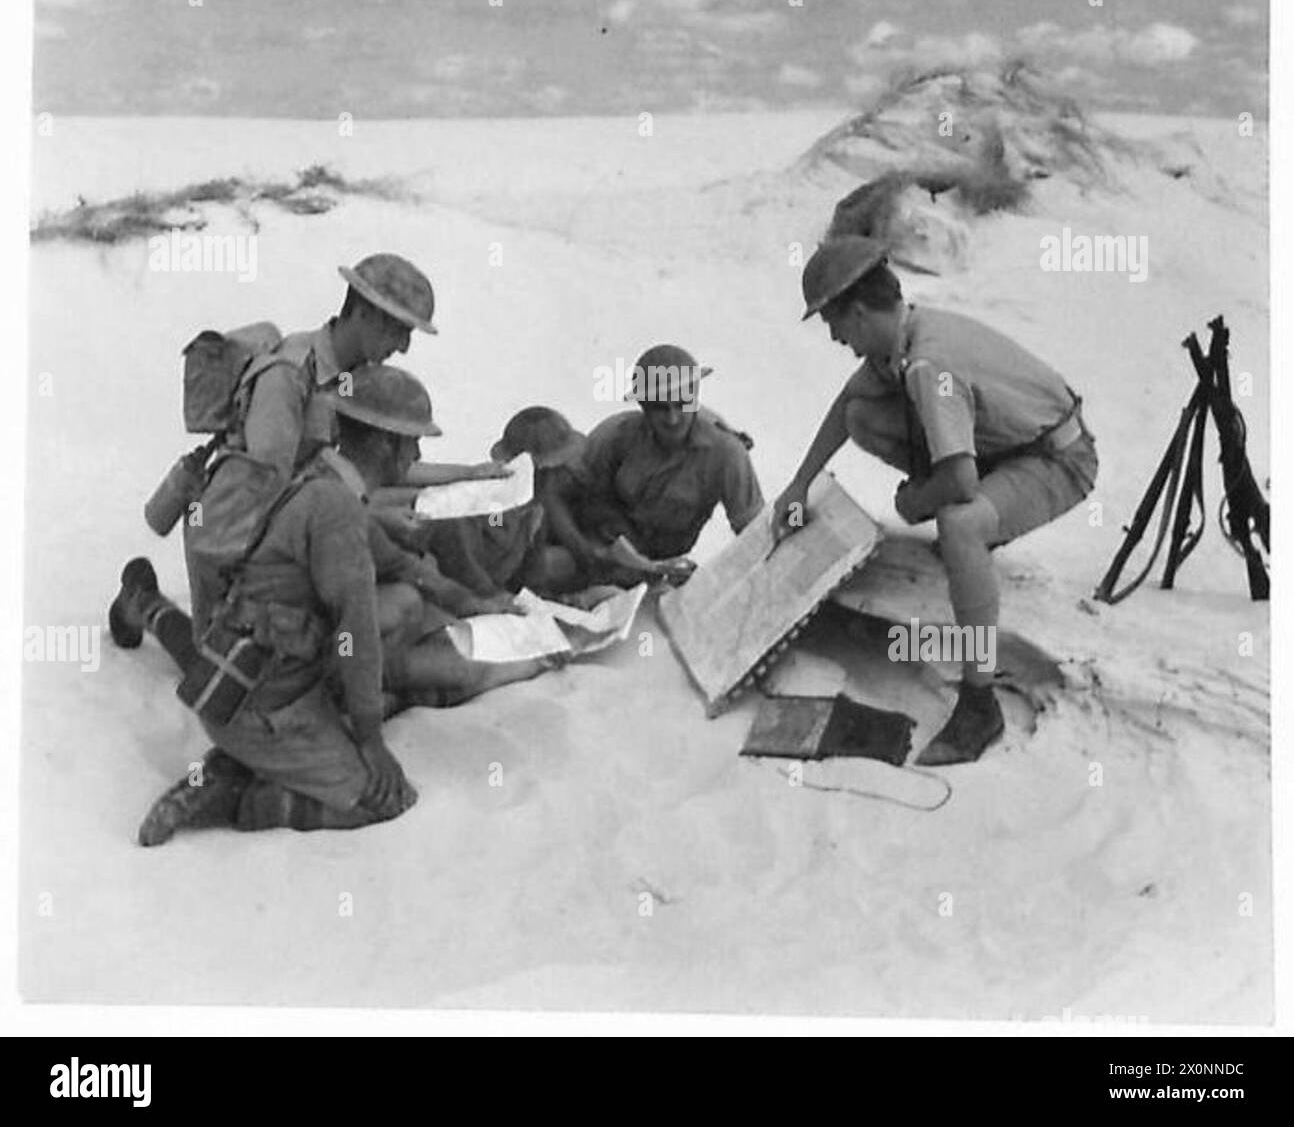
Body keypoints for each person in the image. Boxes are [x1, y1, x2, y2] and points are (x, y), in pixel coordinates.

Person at [116, 367, 557, 845]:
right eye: (412, 443)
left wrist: (470, 600)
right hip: (263, 701)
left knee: (398, 631)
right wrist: (371, 742)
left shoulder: (324, 480)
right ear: (388, 445)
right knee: (387, 799)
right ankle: (233, 793)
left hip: (237, 666)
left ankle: (149, 606)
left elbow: (396, 561)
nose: (416, 455)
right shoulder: (338, 509)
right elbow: (355, 634)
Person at [771, 236, 1098, 765]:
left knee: (959, 521)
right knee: (863, 417)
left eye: (832, 323)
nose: (834, 338)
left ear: (856, 313)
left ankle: (979, 703)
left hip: (1058, 462)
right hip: (1009, 450)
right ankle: (978, 539)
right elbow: (848, 404)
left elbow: (963, 482)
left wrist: (914, 503)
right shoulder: (905, 330)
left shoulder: (927, 363)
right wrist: (798, 484)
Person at [180, 252, 441, 643]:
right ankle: (145, 605)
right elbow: (271, 491)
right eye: (398, 330)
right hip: (235, 541)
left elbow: (365, 467)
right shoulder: (288, 374)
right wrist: (374, 521)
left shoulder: (350, 377)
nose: (403, 347)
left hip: (289, 530)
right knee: (222, 665)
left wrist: (470, 475)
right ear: (365, 313)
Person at [552, 344, 765, 585]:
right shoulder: (615, 435)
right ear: (643, 405)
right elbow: (554, 497)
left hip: (657, 566)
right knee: (542, 562)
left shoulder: (726, 453)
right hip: (594, 545)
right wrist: (585, 551)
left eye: (682, 403)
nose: (673, 419)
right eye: (660, 408)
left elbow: (754, 534)